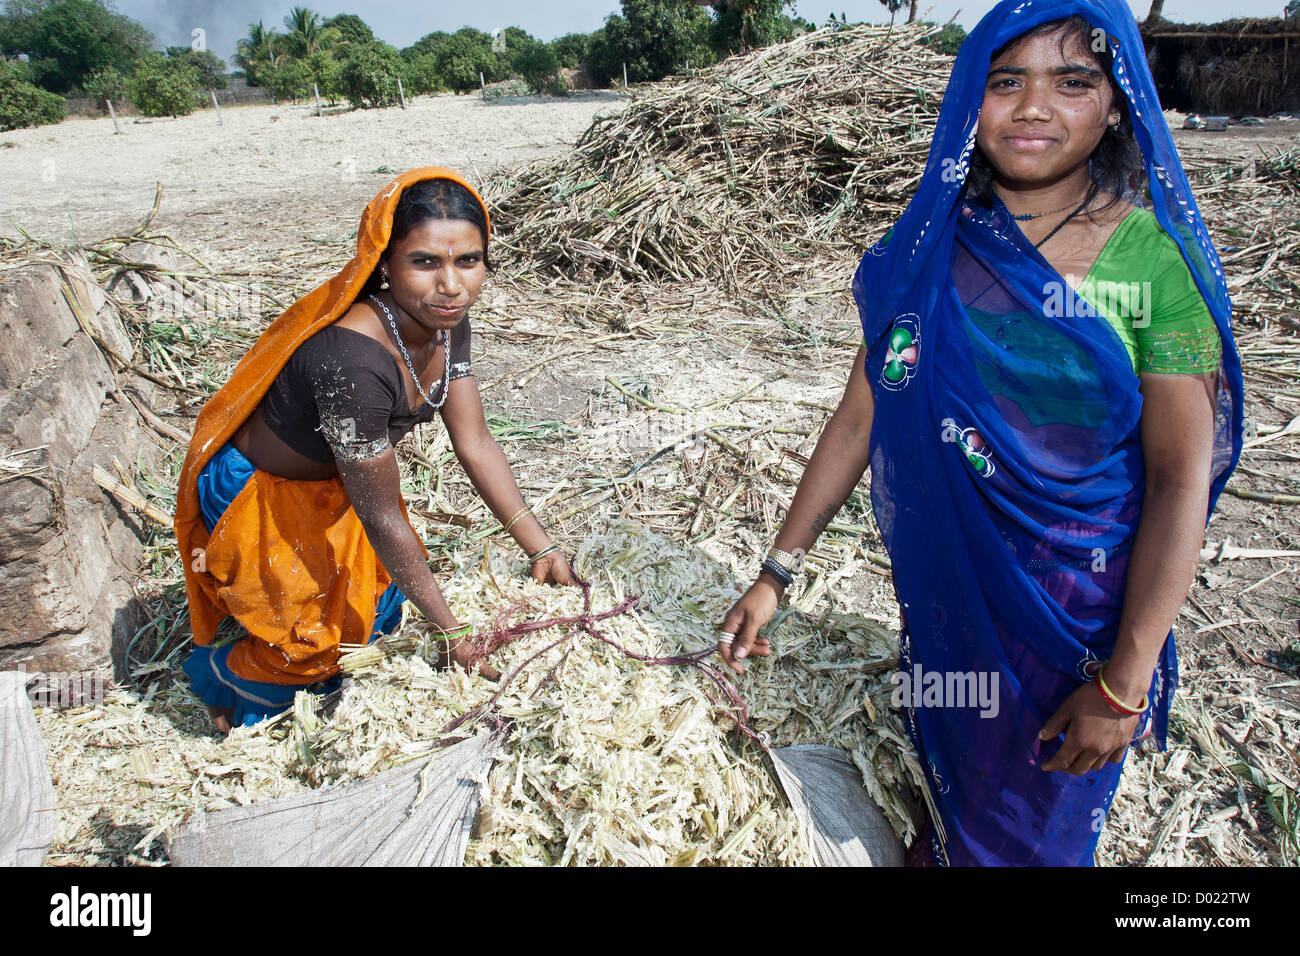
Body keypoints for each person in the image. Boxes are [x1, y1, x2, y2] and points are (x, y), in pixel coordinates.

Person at [718, 0, 1243, 866]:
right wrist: (777, 571)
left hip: (1077, 621)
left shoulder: (1150, 265)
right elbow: (862, 414)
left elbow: (1181, 477)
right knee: (957, 784)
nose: (1034, 107)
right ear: (970, 99)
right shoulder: (930, 250)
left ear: (1116, 105)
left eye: (1072, 82)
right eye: (1006, 82)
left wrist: (1125, 680)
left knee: (1038, 828)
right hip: (953, 596)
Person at [175, 168, 573, 732]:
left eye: (469, 260)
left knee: (374, 617)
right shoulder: (351, 361)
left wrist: (540, 547)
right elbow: (382, 514)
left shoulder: (442, 320)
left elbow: (475, 440)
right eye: (426, 262)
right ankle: (222, 682)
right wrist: (452, 633)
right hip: (261, 497)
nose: (452, 284)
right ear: (384, 264)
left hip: (342, 488)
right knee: (310, 650)